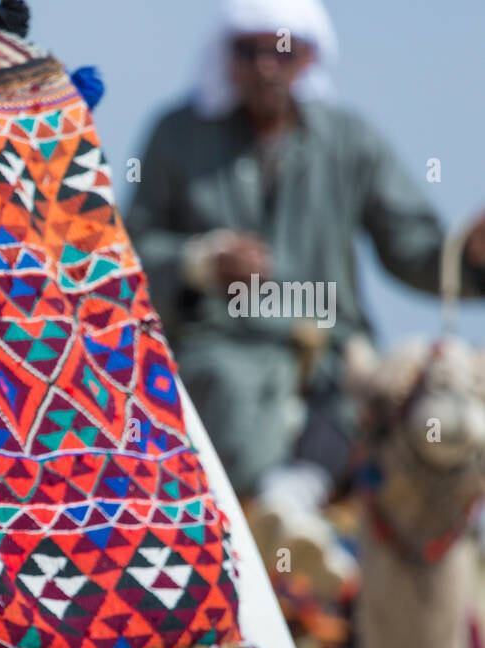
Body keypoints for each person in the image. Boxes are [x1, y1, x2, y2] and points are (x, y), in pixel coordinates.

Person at [126, 0, 485, 497]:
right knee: (226, 395)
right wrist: (201, 263)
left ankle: (303, 508)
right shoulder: (176, 136)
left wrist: (468, 255)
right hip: (220, 349)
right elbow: (126, 253)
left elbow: (411, 246)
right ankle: (272, 515)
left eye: (281, 51)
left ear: (309, 58)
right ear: (227, 57)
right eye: (248, 52)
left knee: (427, 405)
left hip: (335, 352)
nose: (265, 66)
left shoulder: (350, 141)